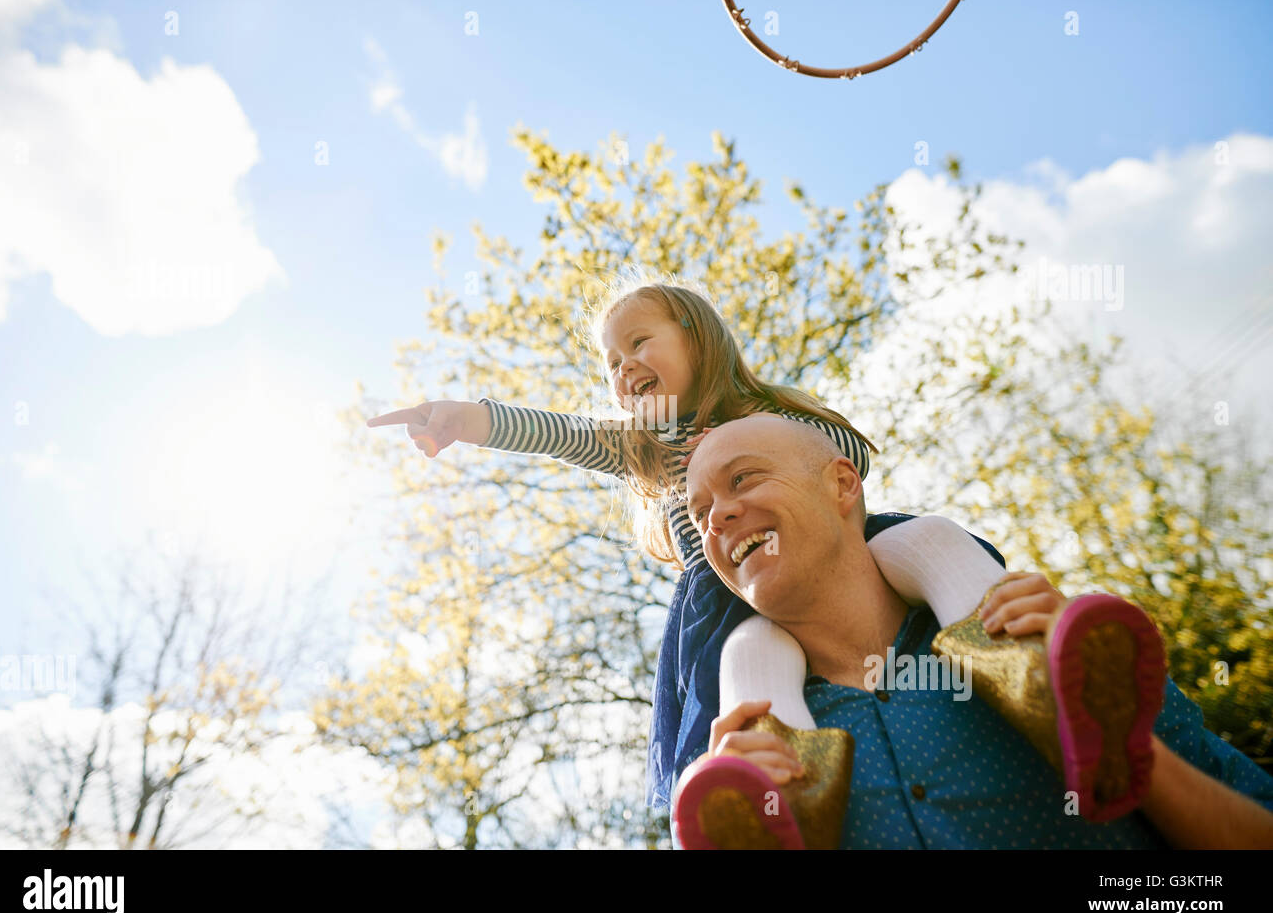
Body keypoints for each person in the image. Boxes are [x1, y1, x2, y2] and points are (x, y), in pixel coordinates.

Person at [366, 274, 1153, 838]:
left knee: (934, 540)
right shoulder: (640, 447)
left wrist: (747, 441)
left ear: (699, 341)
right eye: (610, 361)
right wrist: (463, 417)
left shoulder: (761, 410)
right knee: (749, 656)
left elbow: (850, 452)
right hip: (733, 594)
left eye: (639, 341)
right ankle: (780, 785)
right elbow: (552, 432)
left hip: (845, 550)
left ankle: (1040, 672)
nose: (622, 365)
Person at [678, 413, 1273, 848]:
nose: (718, 517)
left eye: (744, 479)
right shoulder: (753, 767)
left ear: (841, 485)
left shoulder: (1061, 649)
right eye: (700, 511)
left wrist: (1120, 740)